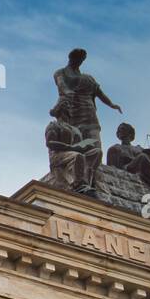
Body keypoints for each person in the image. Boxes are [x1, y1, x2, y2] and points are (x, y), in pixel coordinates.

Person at [50, 48, 122, 192]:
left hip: (88, 111)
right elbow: (62, 87)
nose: (80, 61)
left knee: (94, 143)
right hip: (72, 110)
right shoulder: (60, 72)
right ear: (71, 58)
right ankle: (79, 177)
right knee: (76, 140)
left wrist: (111, 104)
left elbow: (99, 93)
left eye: (82, 59)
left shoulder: (88, 78)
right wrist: (67, 99)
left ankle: (91, 174)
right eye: (78, 58)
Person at [107, 122, 150, 221]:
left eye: (122, 128)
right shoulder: (115, 148)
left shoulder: (138, 148)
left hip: (143, 172)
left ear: (130, 133)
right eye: (118, 130)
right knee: (142, 157)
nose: (119, 131)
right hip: (127, 169)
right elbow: (111, 168)